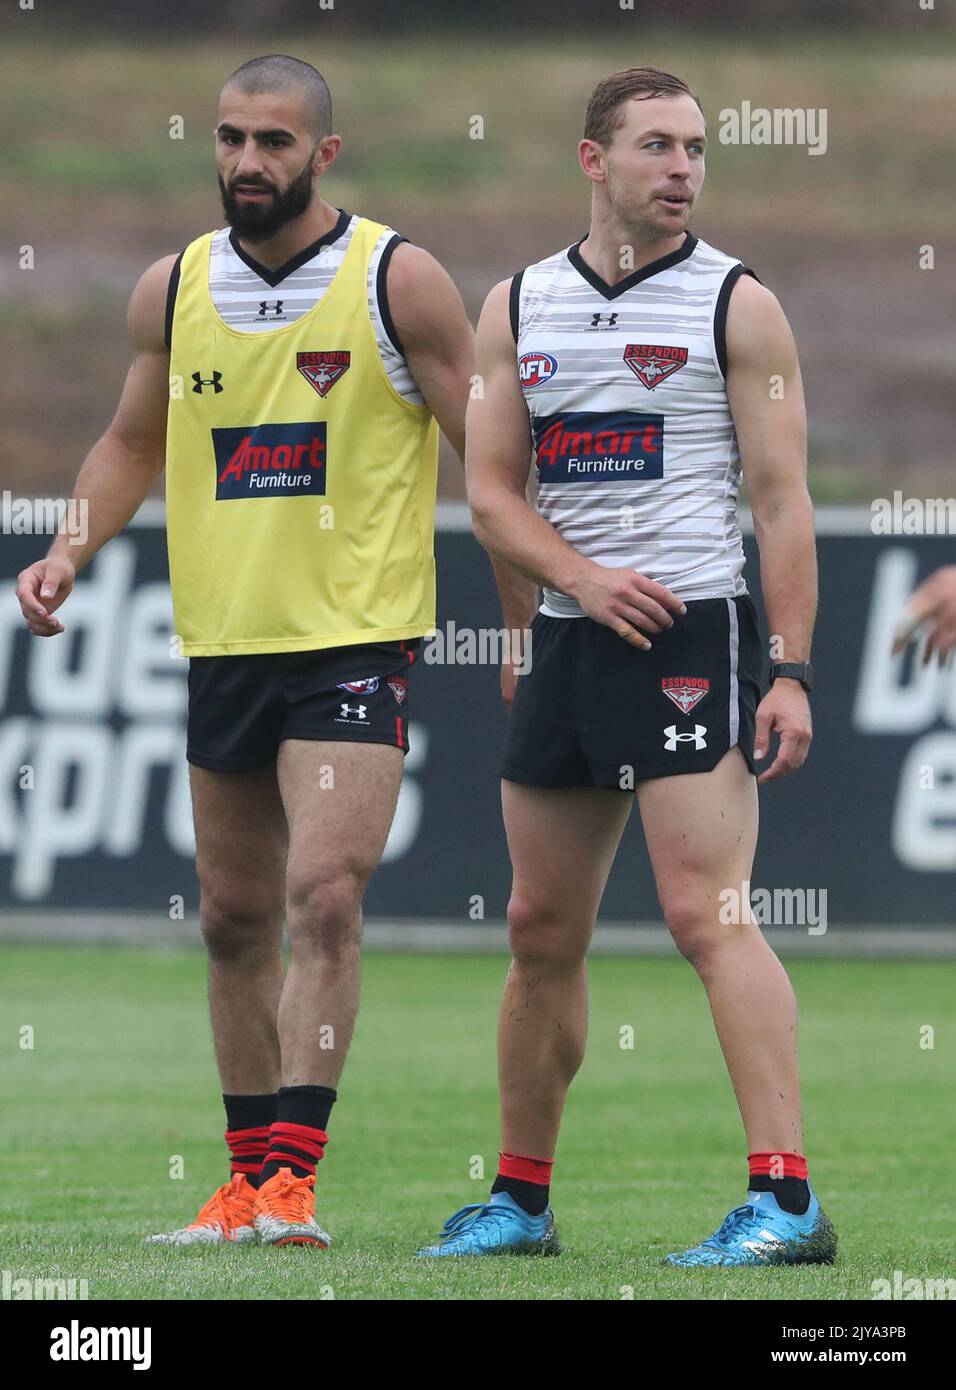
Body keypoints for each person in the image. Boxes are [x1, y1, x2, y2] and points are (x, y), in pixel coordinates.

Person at [16, 54, 476, 1250]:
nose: (245, 163)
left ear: (323, 154)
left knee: (323, 895)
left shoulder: (396, 277)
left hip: (354, 636)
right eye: (229, 139)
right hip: (225, 639)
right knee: (230, 916)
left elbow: (493, 447)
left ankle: (293, 1183)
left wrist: (532, 608)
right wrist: (67, 548)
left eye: (272, 143)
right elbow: (127, 441)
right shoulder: (173, 286)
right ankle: (238, 1183)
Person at [418, 66, 837, 1267]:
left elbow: (782, 502)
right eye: (657, 146)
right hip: (566, 643)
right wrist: (561, 595)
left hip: (689, 639)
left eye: (697, 149)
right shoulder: (515, 304)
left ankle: (785, 1202)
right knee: (538, 926)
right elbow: (491, 490)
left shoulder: (735, 305)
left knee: (706, 914)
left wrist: (791, 669)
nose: (683, 170)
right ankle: (519, 1202)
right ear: (592, 159)